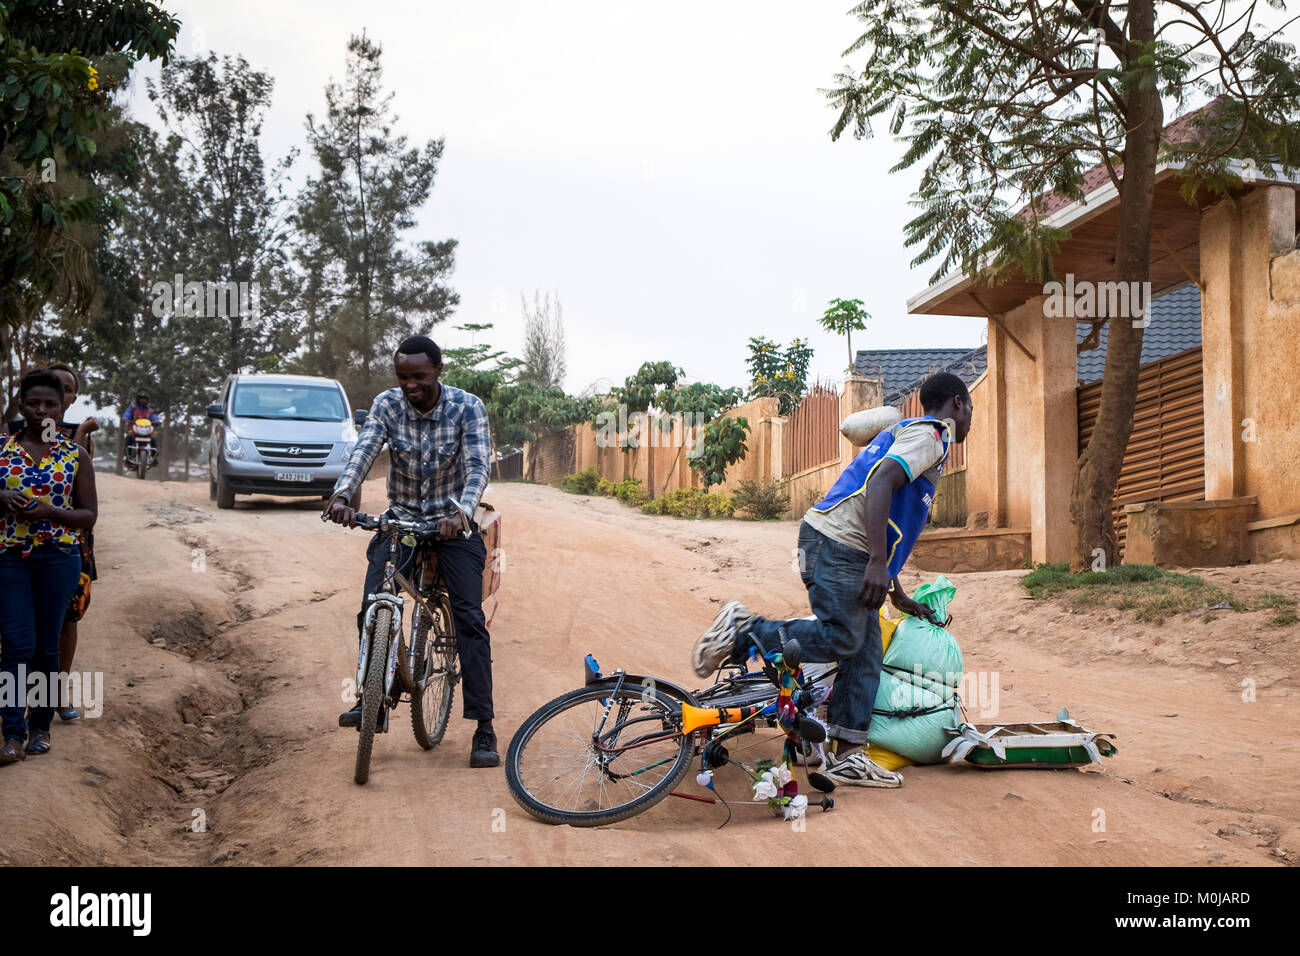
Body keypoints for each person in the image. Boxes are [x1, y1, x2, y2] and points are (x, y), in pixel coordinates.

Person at [691, 372, 973, 789]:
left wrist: (897, 591)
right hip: (840, 546)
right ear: (957, 402)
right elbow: (880, 484)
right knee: (843, 638)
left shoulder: (911, 433)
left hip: (839, 544)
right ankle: (745, 631)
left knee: (865, 651)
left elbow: (891, 512)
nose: (970, 419)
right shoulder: (932, 436)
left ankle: (849, 754)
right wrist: (878, 562)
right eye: (970, 409)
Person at [323, 336, 497, 767]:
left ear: (439, 370)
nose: (410, 386)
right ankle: (373, 698)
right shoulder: (386, 405)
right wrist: (343, 495)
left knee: (470, 620)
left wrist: (461, 514)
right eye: (403, 377)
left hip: (451, 524)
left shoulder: (467, 407)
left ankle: (484, 728)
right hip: (400, 521)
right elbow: (363, 453)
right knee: (371, 607)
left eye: (419, 377)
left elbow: (478, 467)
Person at [0, 370, 98, 764]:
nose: (41, 410)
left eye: (50, 404)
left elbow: (89, 516)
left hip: (59, 558)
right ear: (20, 405)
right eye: (33, 403)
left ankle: (41, 728)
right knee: (15, 646)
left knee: (46, 645)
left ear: (62, 409)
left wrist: (51, 511)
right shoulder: (2, 450)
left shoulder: (76, 456)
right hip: (10, 558)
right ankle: (11, 733)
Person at [46, 363, 99, 721]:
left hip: (73, 542)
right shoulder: (15, 433)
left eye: (66, 389)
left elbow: (75, 476)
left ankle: (57, 692)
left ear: (72, 398)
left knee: (67, 618)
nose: (58, 394)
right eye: (52, 385)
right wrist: (80, 431)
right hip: (23, 542)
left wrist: (79, 434)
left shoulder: (77, 437)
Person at [121, 389, 160, 459]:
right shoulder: (133, 408)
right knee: (128, 437)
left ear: (147, 400)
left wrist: (156, 421)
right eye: (141, 398)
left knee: (153, 438)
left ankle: (154, 457)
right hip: (135, 430)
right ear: (138, 399)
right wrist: (126, 418)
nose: (143, 400)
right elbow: (127, 413)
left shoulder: (150, 410)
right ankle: (127, 455)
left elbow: (154, 417)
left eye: (145, 398)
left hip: (146, 430)